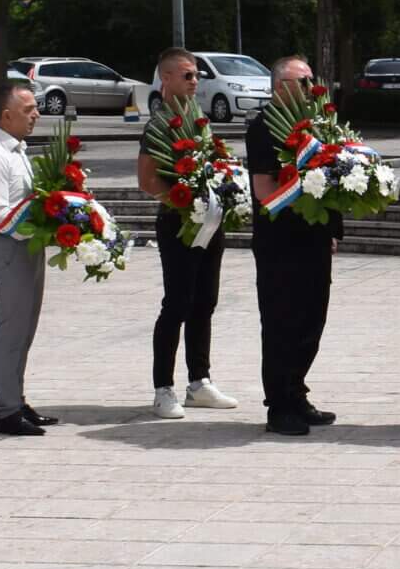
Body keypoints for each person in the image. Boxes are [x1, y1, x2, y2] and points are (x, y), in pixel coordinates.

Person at [135, 48, 238, 420]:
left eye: (196, 75)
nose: (195, 81)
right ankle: (163, 388)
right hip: (177, 222)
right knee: (176, 304)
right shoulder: (159, 123)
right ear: (166, 79)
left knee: (205, 302)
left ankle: (199, 382)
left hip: (209, 221)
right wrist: (184, 200)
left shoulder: (200, 120)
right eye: (187, 75)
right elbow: (146, 179)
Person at [246, 56, 343, 437]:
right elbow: (264, 190)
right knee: (281, 322)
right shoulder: (264, 127)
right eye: (302, 83)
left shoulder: (316, 126)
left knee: (311, 321)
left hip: (314, 239)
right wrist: (306, 196)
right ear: (280, 87)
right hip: (279, 242)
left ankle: (297, 392)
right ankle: (279, 406)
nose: (310, 89)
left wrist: (330, 228)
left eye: (311, 82)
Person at [0, 77, 53, 437]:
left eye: (35, 107)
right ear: (6, 115)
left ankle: (17, 400)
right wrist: (44, 226)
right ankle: (7, 411)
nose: (36, 114)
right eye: (28, 109)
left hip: (28, 248)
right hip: (11, 248)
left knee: (25, 330)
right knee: (11, 331)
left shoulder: (18, 150)